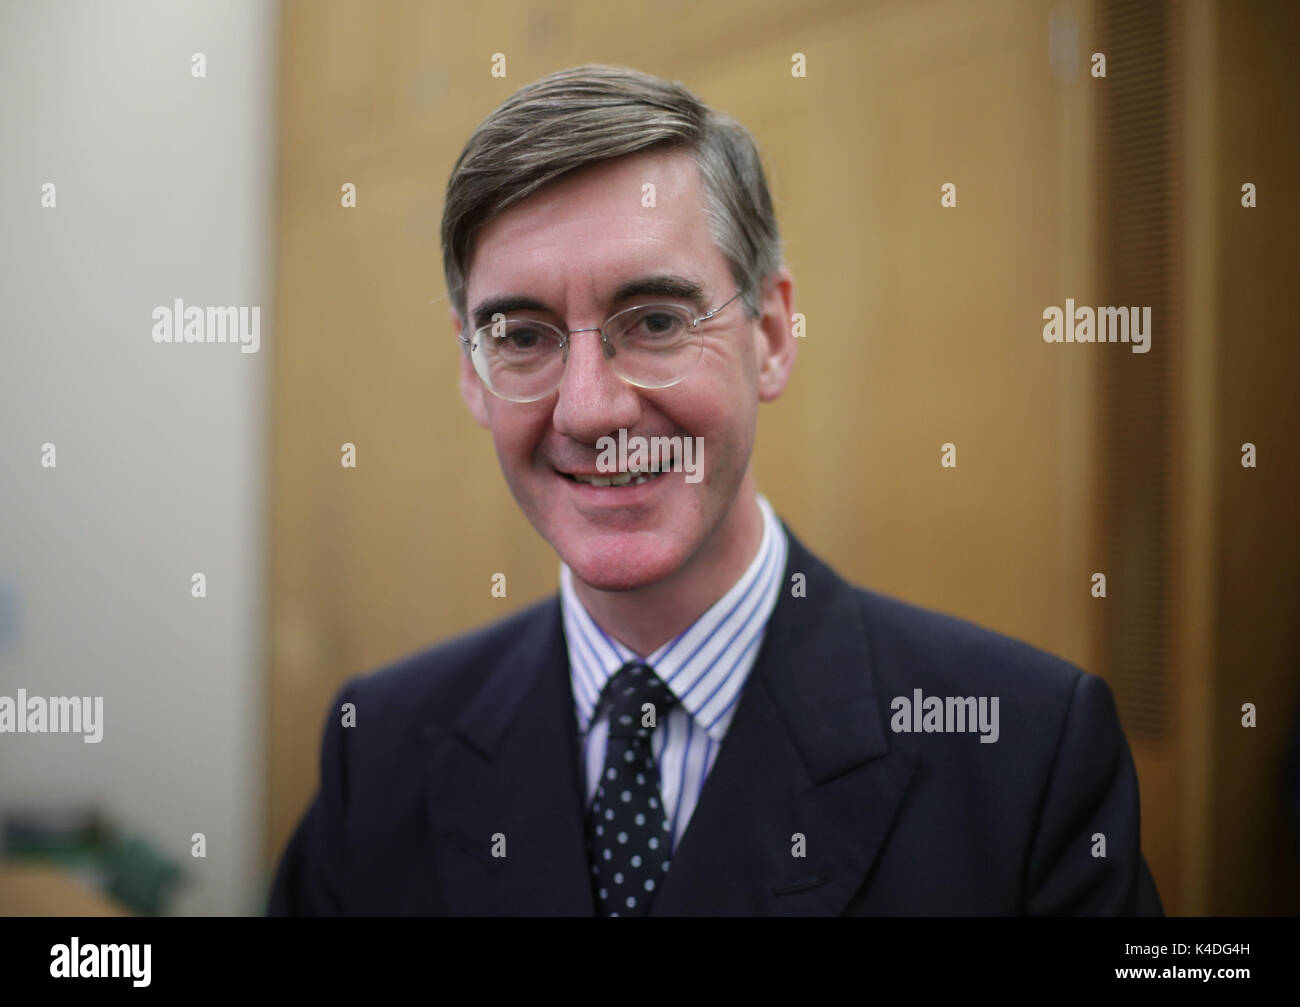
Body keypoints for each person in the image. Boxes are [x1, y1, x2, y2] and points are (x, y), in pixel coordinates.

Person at [268, 64, 1163, 916]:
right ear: (471, 373)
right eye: (523, 336)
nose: (589, 410)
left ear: (770, 335)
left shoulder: (1023, 751)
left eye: (655, 321)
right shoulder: (378, 747)